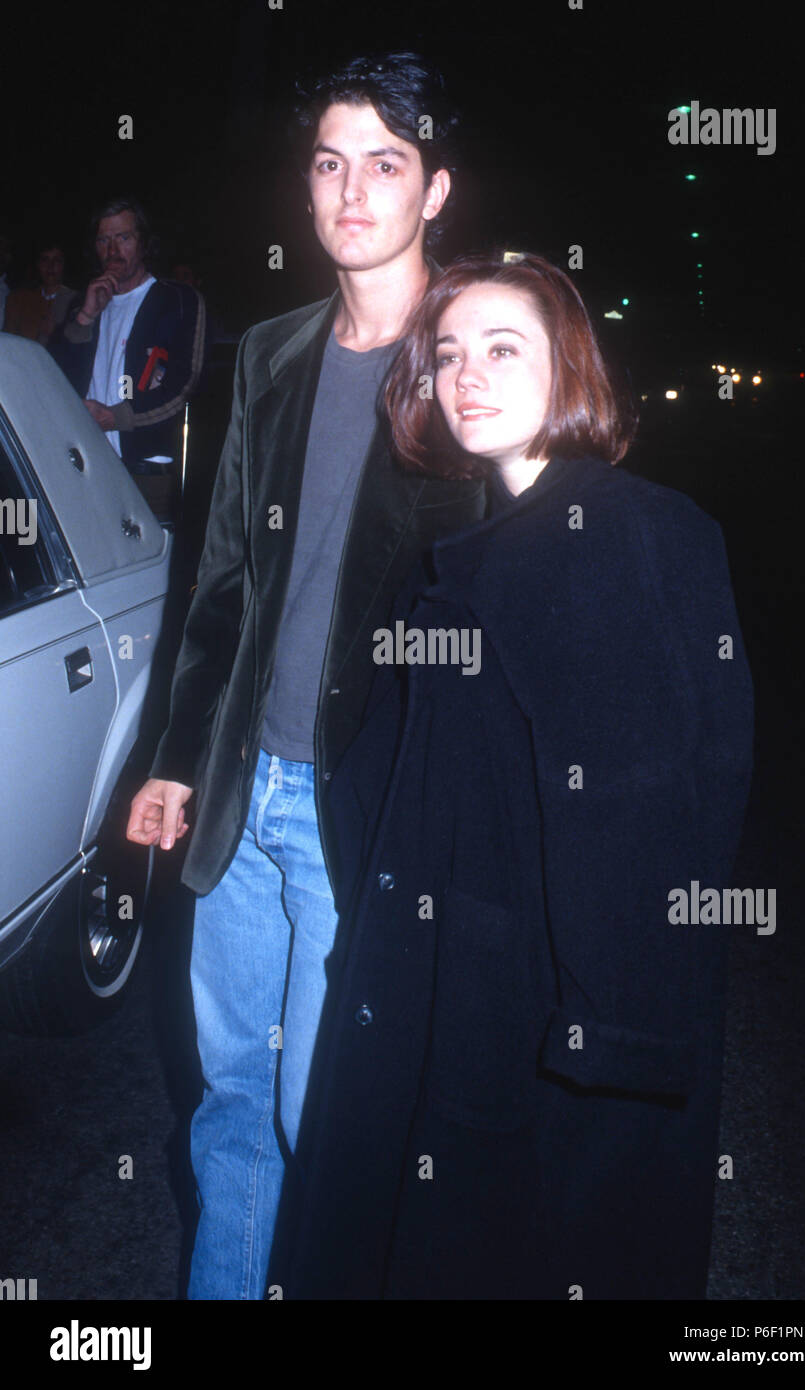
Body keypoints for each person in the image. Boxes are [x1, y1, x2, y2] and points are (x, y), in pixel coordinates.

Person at [276, 252, 755, 1300]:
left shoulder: (628, 532)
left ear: (569, 371)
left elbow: (666, 793)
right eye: (446, 355)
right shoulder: (476, 542)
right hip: (458, 986)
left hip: (552, 1022)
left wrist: (612, 1030)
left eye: (502, 349)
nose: (466, 377)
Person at [125, 53, 486, 1300]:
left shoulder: (473, 365)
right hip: (244, 792)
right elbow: (217, 583)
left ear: (433, 189)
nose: (350, 191)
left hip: (366, 812)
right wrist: (174, 759)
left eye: (383, 164)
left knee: (325, 1118)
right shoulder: (271, 354)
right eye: (329, 163)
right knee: (231, 1106)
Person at [49, 197, 205, 521]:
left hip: (146, 471)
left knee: (148, 564)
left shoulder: (176, 300)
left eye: (124, 237)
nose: (112, 249)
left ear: (144, 243)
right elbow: (53, 377)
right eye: (104, 239)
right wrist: (85, 317)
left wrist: (115, 417)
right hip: (85, 466)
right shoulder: (85, 300)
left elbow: (183, 384)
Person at [3, 241, 75, 345]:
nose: (51, 266)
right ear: (37, 264)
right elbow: (8, 343)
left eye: (57, 260)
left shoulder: (75, 301)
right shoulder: (17, 300)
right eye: (45, 260)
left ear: (64, 265)